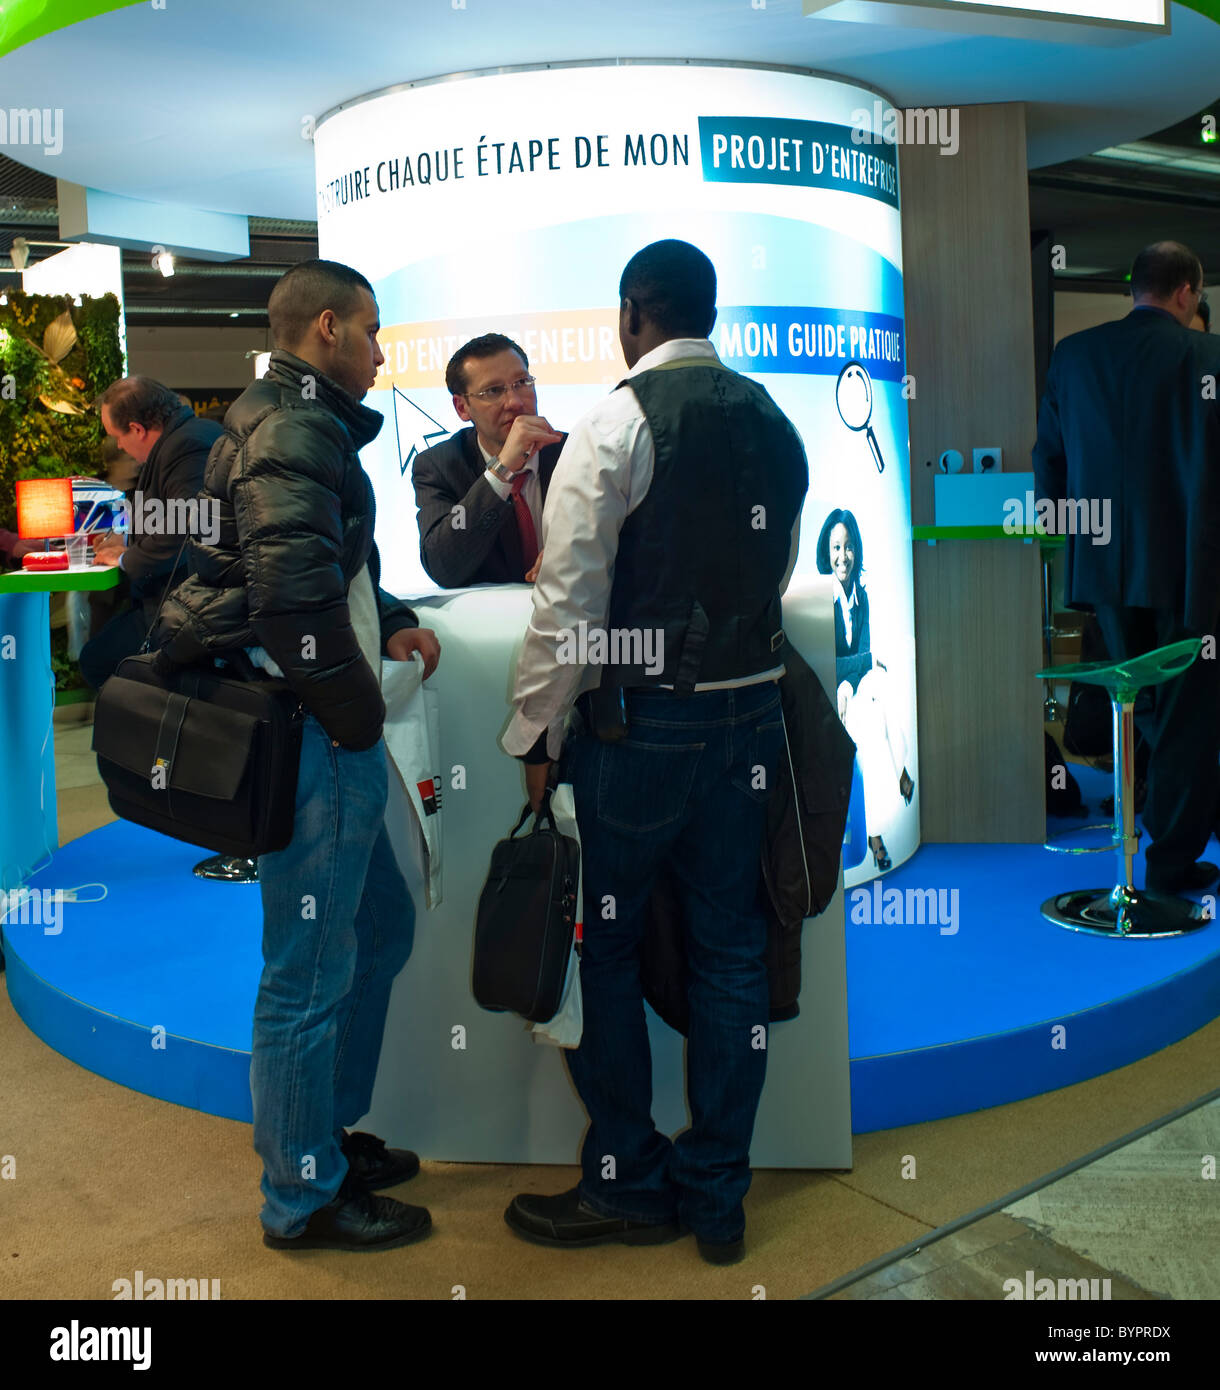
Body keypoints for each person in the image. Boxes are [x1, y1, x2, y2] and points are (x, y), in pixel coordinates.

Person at [500, 239, 808, 1265]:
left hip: (640, 729)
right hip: (750, 720)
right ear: (706, 314)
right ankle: (717, 1194)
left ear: (633, 315)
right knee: (729, 949)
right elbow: (773, 567)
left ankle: (627, 1181)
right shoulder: (772, 419)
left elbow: (568, 604)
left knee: (612, 944)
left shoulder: (616, 421)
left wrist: (534, 732)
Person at [152, 259, 443, 1252]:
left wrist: (390, 617)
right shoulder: (295, 426)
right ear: (327, 328)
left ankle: (323, 1136)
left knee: (379, 932)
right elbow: (290, 601)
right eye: (369, 331)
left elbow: (322, 559)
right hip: (316, 736)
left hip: (321, 727)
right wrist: (359, 718)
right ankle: (302, 1196)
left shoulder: (290, 420)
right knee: (305, 975)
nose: (377, 350)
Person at [1032, 240, 1220, 894]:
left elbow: (1048, 461)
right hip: (1192, 570)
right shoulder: (1207, 357)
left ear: (1131, 288)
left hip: (1104, 572)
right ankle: (1168, 862)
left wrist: (1062, 542)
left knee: (1132, 699)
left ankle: (1134, 833)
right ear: (1187, 293)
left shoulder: (1075, 356)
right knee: (1189, 713)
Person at [77, 377, 221, 689]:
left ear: (138, 430)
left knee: (96, 661)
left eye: (117, 436)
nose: (118, 446)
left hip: (189, 607)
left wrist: (125, 557)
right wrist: (125, 537)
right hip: (179, 599)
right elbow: (160, 512)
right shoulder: (184, 438)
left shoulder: (187, 444)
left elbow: (185, 527)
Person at [412, 333, 564, 586]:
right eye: (493, 391)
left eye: (522, 382)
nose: (515, 402)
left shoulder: (571, 451)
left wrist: (576, 553)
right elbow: (442, 565)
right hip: (490, 623)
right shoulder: (439, 466)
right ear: (462, 408)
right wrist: (500, 470)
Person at [816, 507, 913, 871]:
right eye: (836, 547)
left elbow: (866, 654)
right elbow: (832, 664)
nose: (843, 556)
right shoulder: (822, 598)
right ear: (827, 553)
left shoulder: (862, 597)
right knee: (862, 718)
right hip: (835, 691)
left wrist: (867, 667)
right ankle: (898, 783)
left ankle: (877, 825)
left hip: (857, 688)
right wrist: (865, 666)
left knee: (883, 691)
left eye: (849, 546)